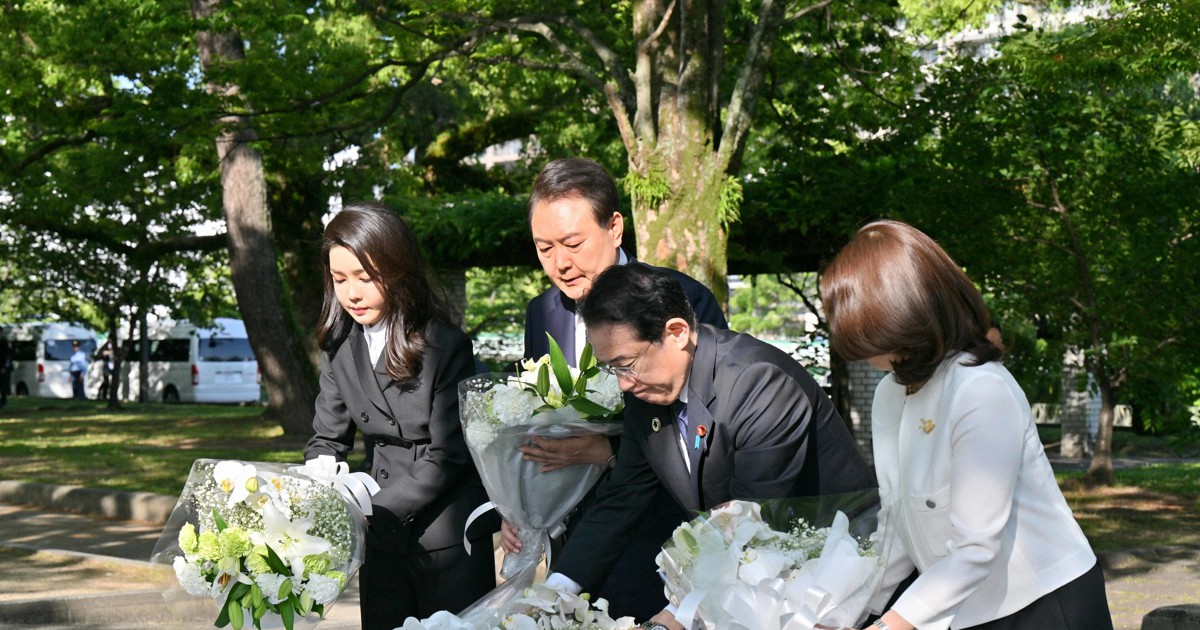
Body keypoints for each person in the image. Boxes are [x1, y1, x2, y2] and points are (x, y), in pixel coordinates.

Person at [510, 263, 875, 628]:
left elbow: (753, 521)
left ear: (677, 332)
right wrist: (553, 594)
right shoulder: (646, 393)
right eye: (613, 369)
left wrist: (680, 613)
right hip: (755, 579)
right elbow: (622, 498)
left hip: (838, 577)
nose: (623, 384)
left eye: (627, 364)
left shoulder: (758, 384)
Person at [820, 220, 1112, 630]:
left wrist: (891, 625)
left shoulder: (979, 389)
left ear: (904, 316)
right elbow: (898, 523)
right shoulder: (890, 392)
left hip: (1042, 605)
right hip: (961, 605)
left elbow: (976, 545)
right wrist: (840, 615)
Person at [518, 157, 728, 619]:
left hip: (663, 541)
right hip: (578, 541)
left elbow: (706, 440)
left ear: (615, 227)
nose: (561, 264)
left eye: (573, 243)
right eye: (544, 248)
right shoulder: (542, 313)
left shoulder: (684, 299)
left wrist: (607, 452)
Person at [303, 201, 497, 630]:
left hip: (447, 538)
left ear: (398, 270)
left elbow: (449, 455)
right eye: (339, 279)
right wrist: (313, 488)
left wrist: (370, 509)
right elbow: (327, 438)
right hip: (383, 541)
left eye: (365, 277)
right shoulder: (339, 348)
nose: (351, 293)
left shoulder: (444, 344)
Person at [0, 335, 10, 408]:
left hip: (2, 367)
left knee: (3, 384)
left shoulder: (3, 341)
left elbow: (5, 355)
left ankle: (3, 401)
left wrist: (3, 367)